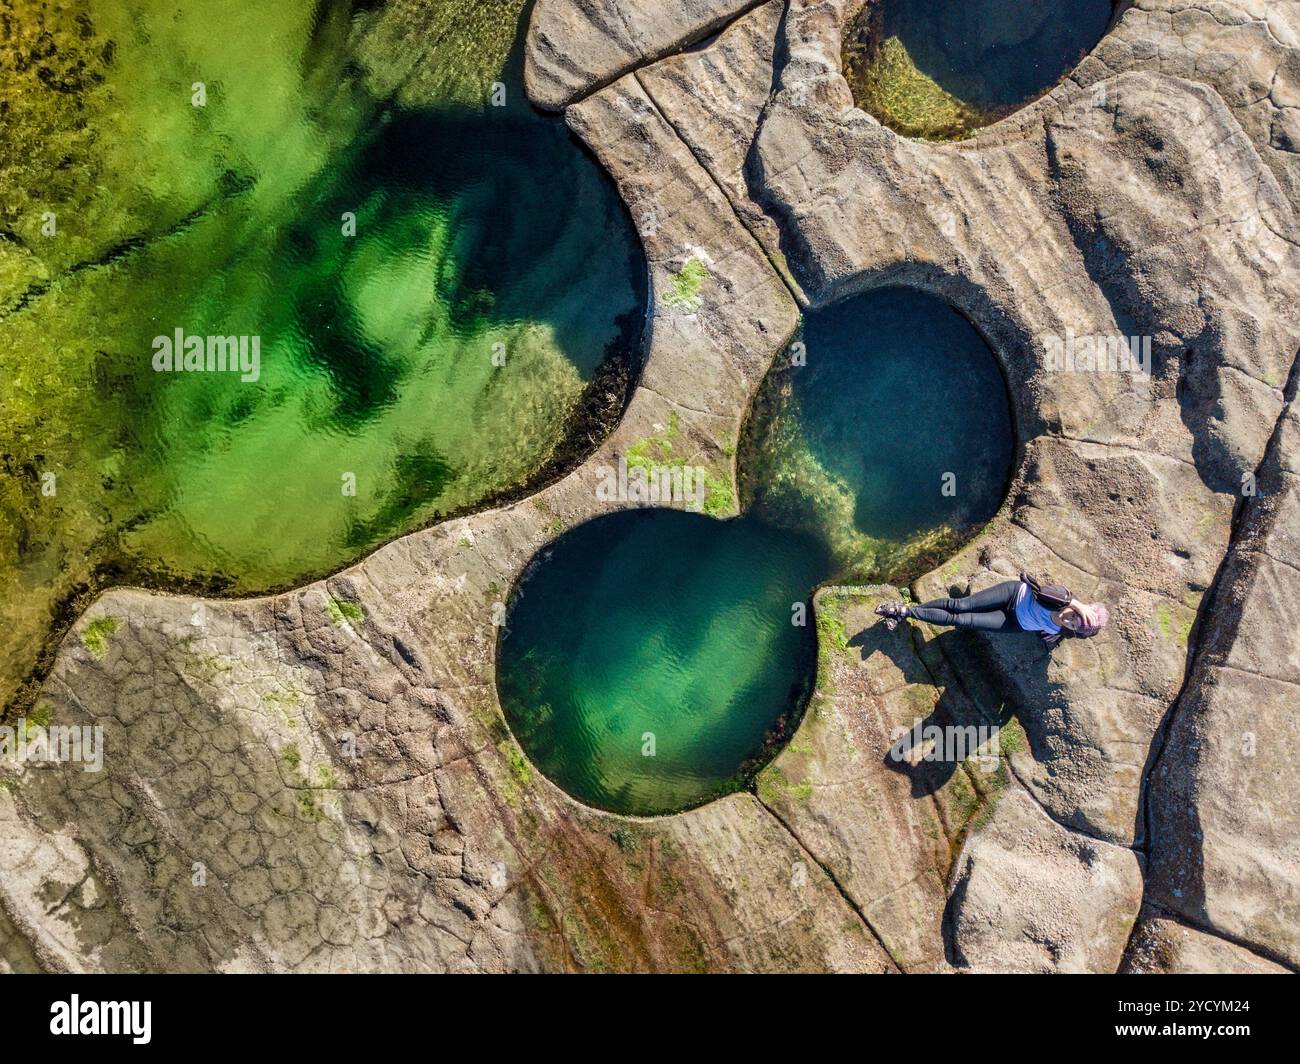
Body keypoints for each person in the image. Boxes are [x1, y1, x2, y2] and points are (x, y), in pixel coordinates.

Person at [874, 578, 1109, 645]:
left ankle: (903, 611)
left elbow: (1056, 635)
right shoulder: (1061, 599)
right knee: (961, 605)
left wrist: (1054, 637)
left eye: (1076, 626)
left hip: (1014, 622)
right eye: (1076, 617)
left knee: (962, 621)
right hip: (1013, 594)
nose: (1072, 621)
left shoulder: (1064, 631)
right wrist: (1077, 604)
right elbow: (1046, 592)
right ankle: (901, 611)